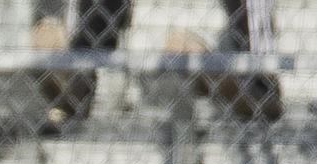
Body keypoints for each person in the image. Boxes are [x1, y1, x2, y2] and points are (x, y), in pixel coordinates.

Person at [34, 0, 281, 130]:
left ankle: (226, 84)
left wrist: (214, 74)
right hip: (121, 68)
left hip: (221, 75)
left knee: (184, 49)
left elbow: (271, 101)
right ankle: (76, 91)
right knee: (45, 37)